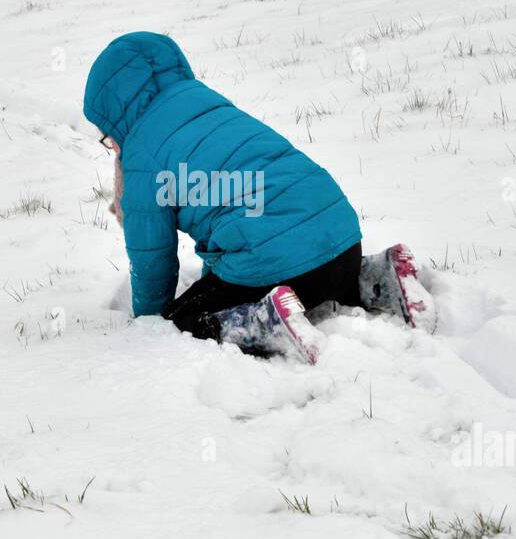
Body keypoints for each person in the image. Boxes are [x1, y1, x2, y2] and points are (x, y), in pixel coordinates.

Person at [84, 31, 435, 363]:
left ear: (117, 117)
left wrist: (152, 319)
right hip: (343, 242)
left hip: (283, 268)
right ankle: (377, 274)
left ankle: (262, 321)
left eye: (107, 136)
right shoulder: (210, 104)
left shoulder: (143, 153)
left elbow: (153, 259)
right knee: (316, 269)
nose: (110, 144)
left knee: (185, 319)